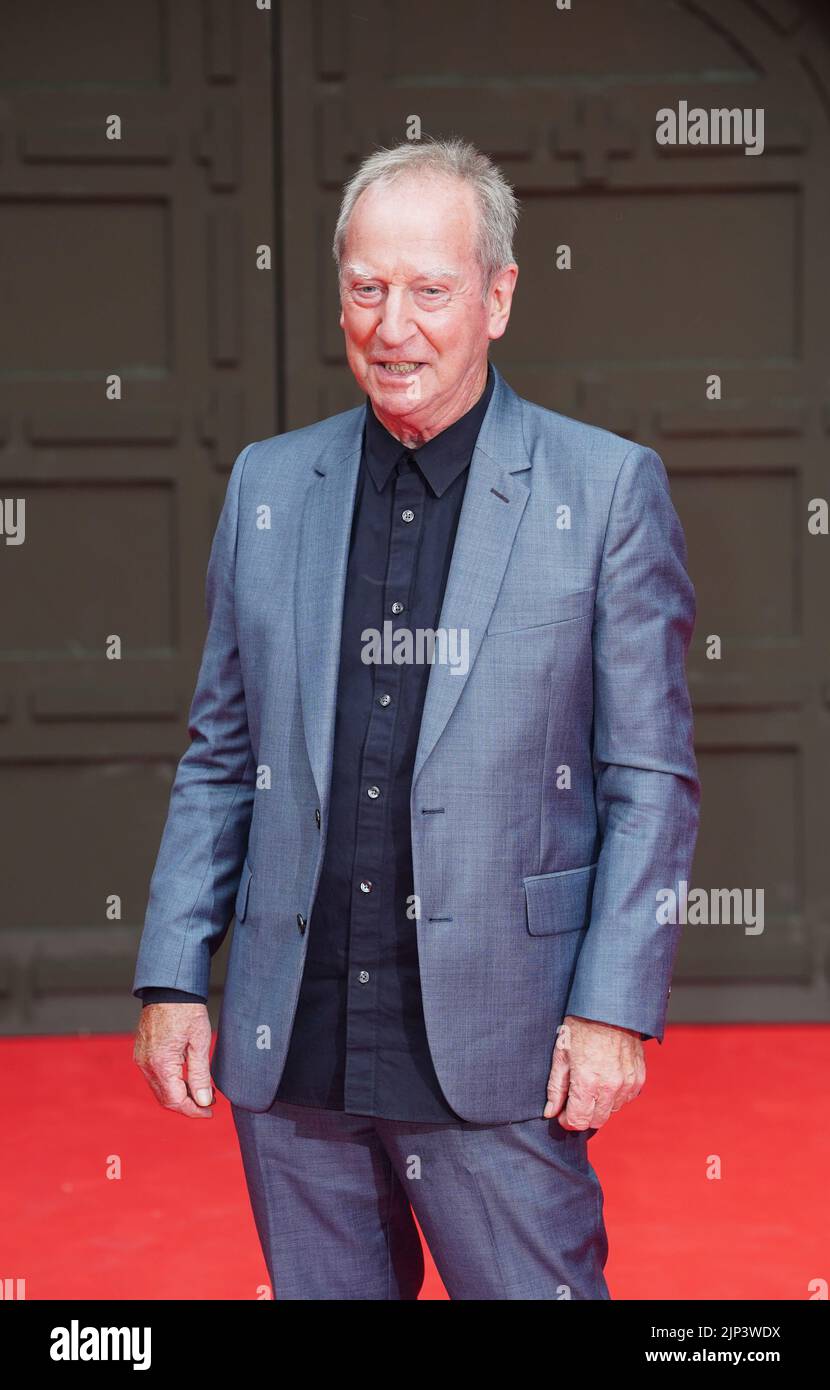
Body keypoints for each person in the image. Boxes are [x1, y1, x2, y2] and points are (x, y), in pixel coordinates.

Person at [133, 137, 700, 1300]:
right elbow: (220, 752)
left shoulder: (599, 492)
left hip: (500, 1045)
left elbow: (649, 777)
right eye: (366, 287)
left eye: (429, 291)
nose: (393, 326)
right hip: (294, 1048)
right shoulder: (269, 487)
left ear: (496, 297)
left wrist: (610, 1008)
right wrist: (173, 975)